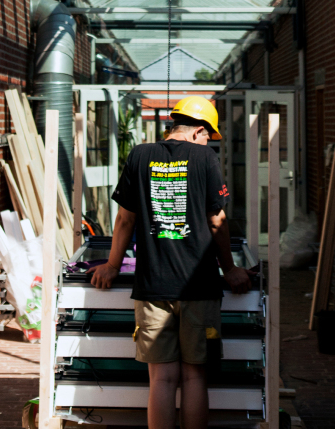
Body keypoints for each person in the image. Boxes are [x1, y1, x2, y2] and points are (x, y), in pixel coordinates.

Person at [89, 96, 252, 429]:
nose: (209, 142)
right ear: (197, 131)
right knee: (193, 378)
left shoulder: (139, 155)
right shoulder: (205, 157)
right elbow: (216, 221)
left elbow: (124, 220)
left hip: (152, 286)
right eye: (209, 135)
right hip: (200, 286)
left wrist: (112, 265)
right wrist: (230, 268)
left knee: (161, 379)